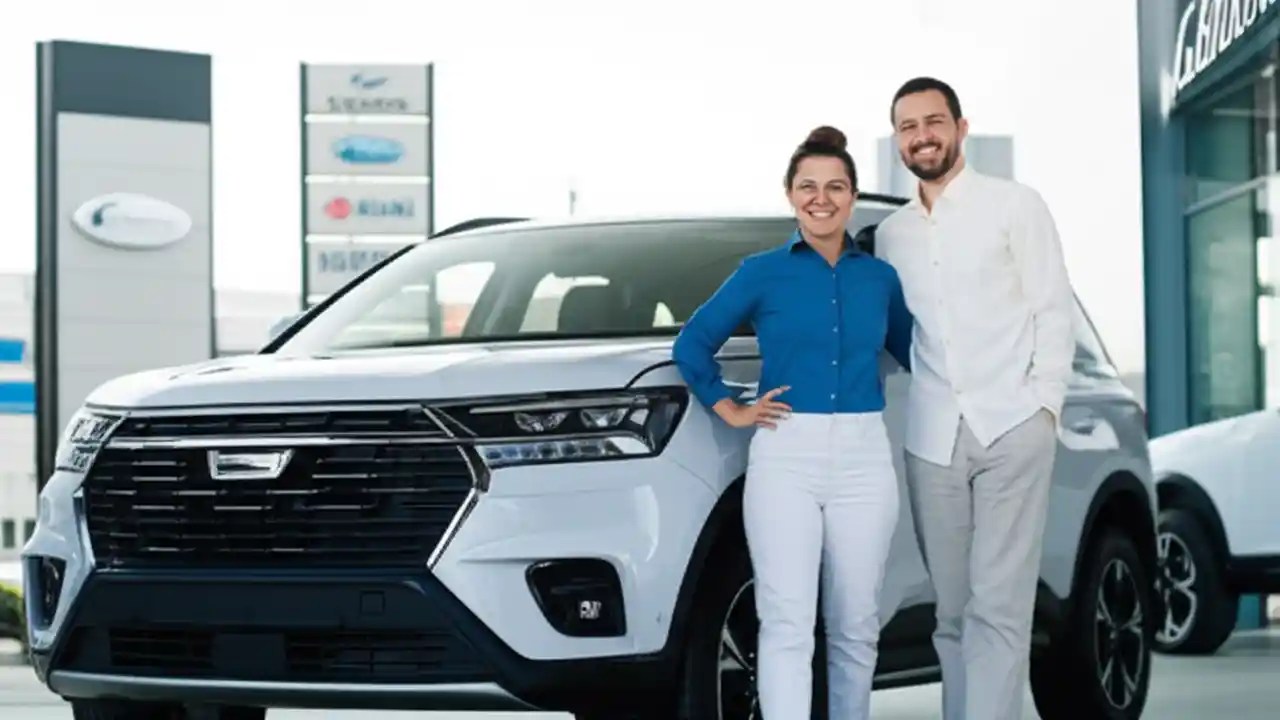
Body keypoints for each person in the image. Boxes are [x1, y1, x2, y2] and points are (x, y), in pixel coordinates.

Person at [672, 125, 913, 720]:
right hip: (786, 455)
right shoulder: (761, 273)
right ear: (789, 194)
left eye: (835, 187)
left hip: (864, 458)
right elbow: (693, 344)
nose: (821, 198)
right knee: (786, 622)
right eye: (808, 186)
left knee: (857, 625)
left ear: (853, 197)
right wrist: (730, 405)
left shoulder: (879, 279)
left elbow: (921, 355)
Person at [874, 76, 1076, 720]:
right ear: (899, 140)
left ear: (961, 128)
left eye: (934, 122)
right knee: (953, 614)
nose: (922, 136)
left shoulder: (1016, 205)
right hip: (932, 438)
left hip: (1013, 425)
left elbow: (1052, 309)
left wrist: (1045, 408)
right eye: (908, 127)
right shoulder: (891, 235)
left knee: (999, 606)